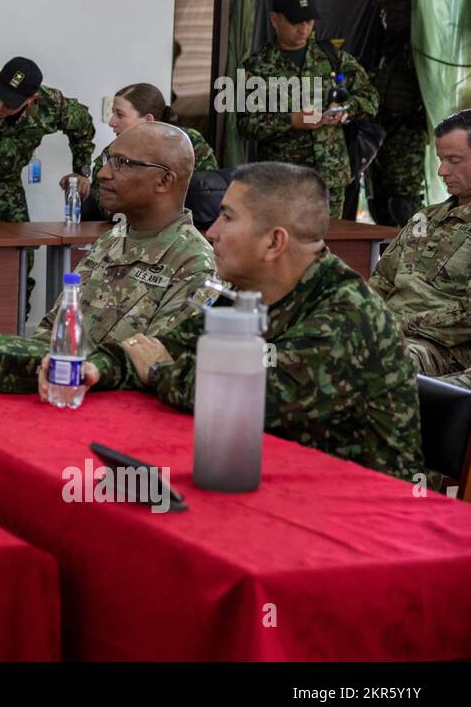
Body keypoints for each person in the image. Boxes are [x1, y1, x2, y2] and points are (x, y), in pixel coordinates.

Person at [39, 162, 423, 482]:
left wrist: (158, 370)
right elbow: (160, 347)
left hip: (356, 516)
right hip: (269, 482)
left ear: (274, 242)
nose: (212, 232)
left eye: (227, 217)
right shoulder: (245, 293)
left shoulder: (346, 315)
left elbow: (240, 403)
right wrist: (93, 367)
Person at [0, 122, 217, 393]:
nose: (102, 173)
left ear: (164, 181)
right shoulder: (112, 240)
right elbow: (51, 333)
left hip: (111, 408)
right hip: (59, 392)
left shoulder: (194, 265)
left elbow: (153, 364)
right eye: (106, 160)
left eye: (121, 163)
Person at [0, 57, 94, 319]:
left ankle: (15, 324)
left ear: (32, 99)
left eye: (10, 104)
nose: (1, 106)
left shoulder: (52, 105)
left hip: (6, 187)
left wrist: (81, 170)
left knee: (20, 258)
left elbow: (83, 126)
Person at [239, 0, 378, 218]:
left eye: (309, 21)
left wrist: (344, 110)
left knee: (327, 244)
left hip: (329, 176)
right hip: (283, 180)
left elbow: (370, 98)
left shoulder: (333, 57)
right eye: (295, 21)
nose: (304, 28)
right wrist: (290, 120)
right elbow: (247, 124)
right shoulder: (258, 67)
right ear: (275, 19)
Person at [369, 109, 471, 379]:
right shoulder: (425, 217)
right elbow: (381, 282)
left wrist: (398, 325)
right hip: (392, 332)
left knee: (376, 363)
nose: (441, 170)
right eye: (440, 159)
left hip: (443, 349)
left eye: (454, 160)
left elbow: (467, 318)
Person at [65, 83, 217, 220]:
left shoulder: (189, 142)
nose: (112, 122)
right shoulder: (111, 153)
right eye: (112, 113)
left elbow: (207, 196)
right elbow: (108, 208)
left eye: (120, 114)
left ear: (147, 120)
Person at [367, 0, 428, 227]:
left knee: (403, 202)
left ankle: (420, 257)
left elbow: (427, 92)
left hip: (405, 137)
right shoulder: (388, 48)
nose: (384, 17)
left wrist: (410, 119)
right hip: (384, 134)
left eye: (389, 11)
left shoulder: (416, 50)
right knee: (379, 203)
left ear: (405, 14)